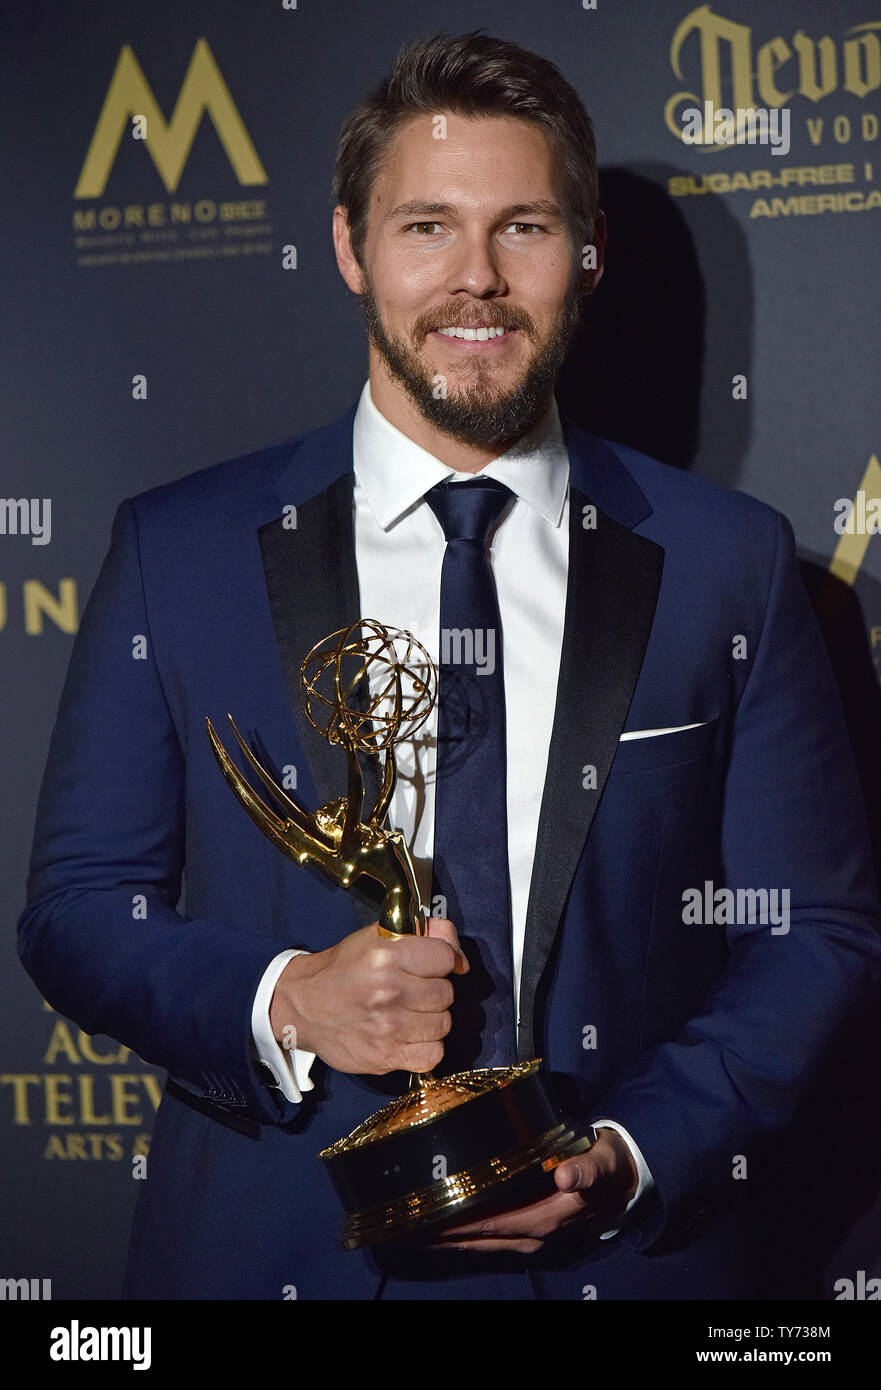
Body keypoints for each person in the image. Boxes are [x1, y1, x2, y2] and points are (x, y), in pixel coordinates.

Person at [18, 31, 881, 1301]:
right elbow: (79, 908)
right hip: (270, 1258)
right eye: (426, 227)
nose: (474, 279)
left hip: (629, 1269)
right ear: (349, 248)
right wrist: (288, 998)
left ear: (585, 256)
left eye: (521, 228)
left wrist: (639, 1150)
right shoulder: (179, 550)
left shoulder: (726, 564)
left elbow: (817, 930)